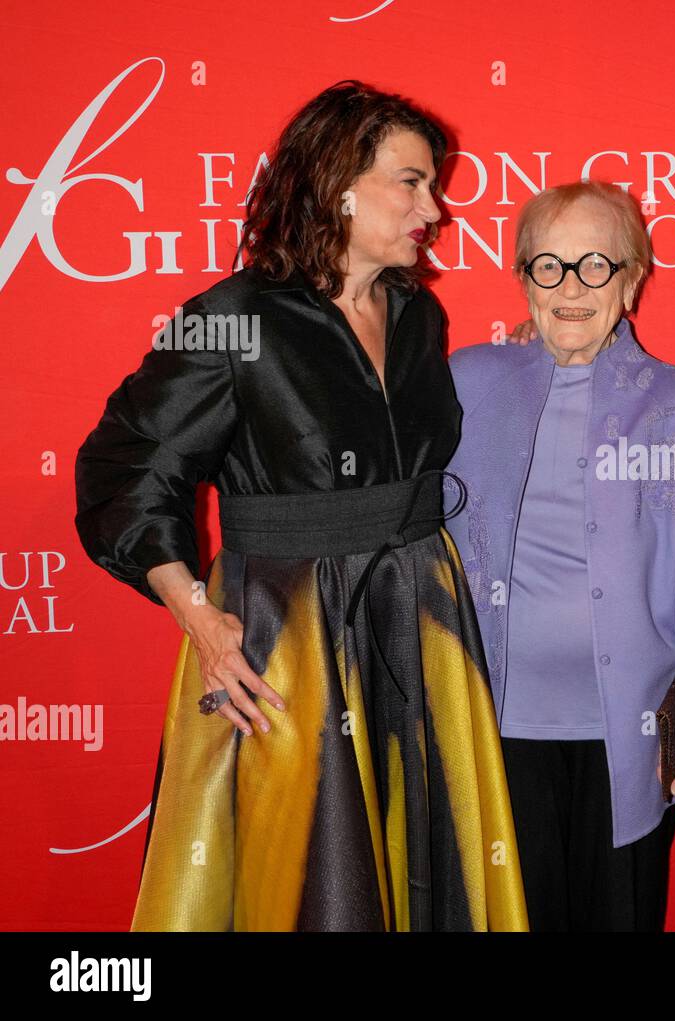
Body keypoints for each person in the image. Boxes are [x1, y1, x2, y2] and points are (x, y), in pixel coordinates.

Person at [73, 80, 527, 931]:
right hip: (291, 633)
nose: (435, 205)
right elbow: (122, 465)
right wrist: (201, 618)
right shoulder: (233, 317)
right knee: (314, 873)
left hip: (418, 614)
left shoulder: (418, 313)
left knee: (427, 862)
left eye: (434, 184)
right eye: (413, 181)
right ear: (339, 183)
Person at [444, 180, 675, 931]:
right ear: (521, 277)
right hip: (493, 730)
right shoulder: (466, 382)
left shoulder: (673, 404)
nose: (570, 288)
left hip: (629, 738)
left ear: (633, 277)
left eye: (594, 266)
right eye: (549, 266)